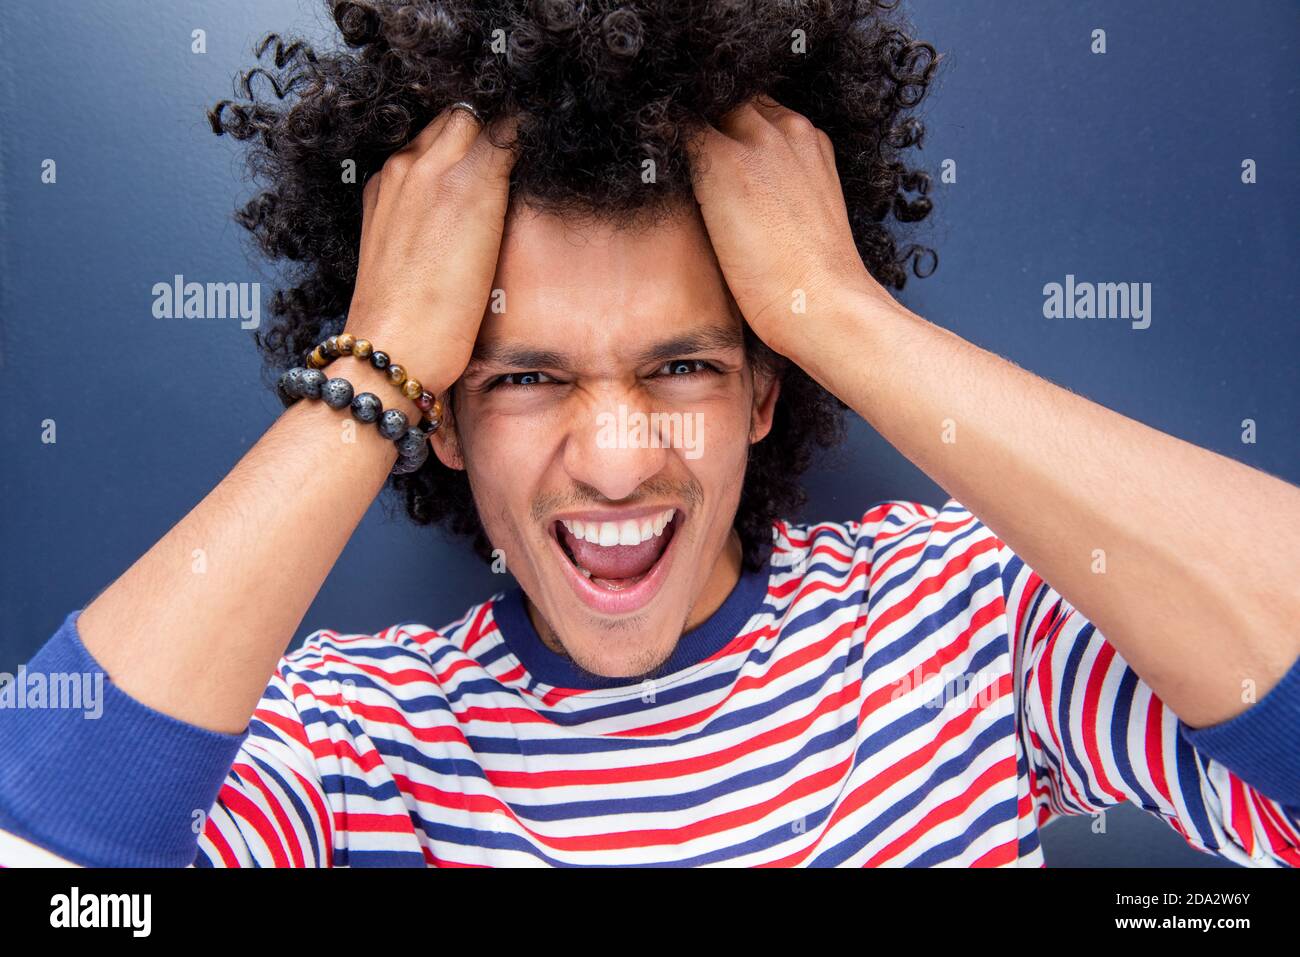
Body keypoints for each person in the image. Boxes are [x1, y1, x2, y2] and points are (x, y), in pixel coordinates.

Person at [1, 0, 1296, 868]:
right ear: (439, 416)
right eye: (521, 378)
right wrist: (376, 362)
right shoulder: (348, 743)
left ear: (768, 386)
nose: (616, 456)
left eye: (682, 362)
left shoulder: (966, 623)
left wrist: (841, 314)